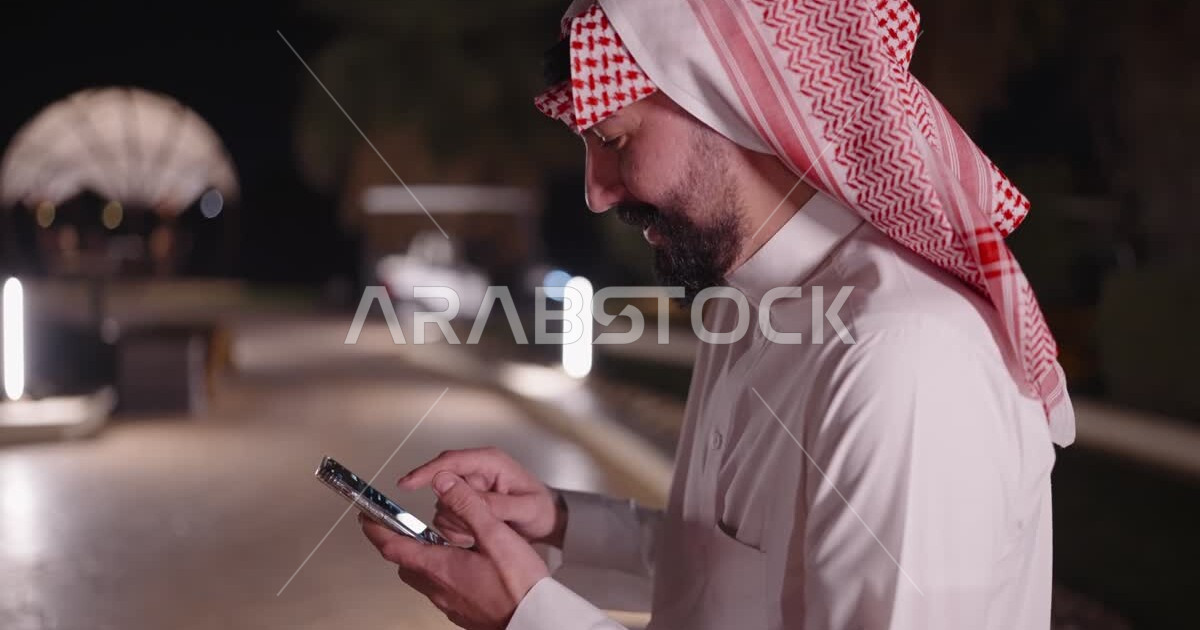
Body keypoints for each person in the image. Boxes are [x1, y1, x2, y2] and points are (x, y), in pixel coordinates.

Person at [360, 1, 1076, 628]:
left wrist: (530, 616)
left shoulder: (904, 356)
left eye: (614, 140)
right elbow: (736, 573)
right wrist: (557, 525)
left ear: (731, 101)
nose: (597, 194)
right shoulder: (752, 302)